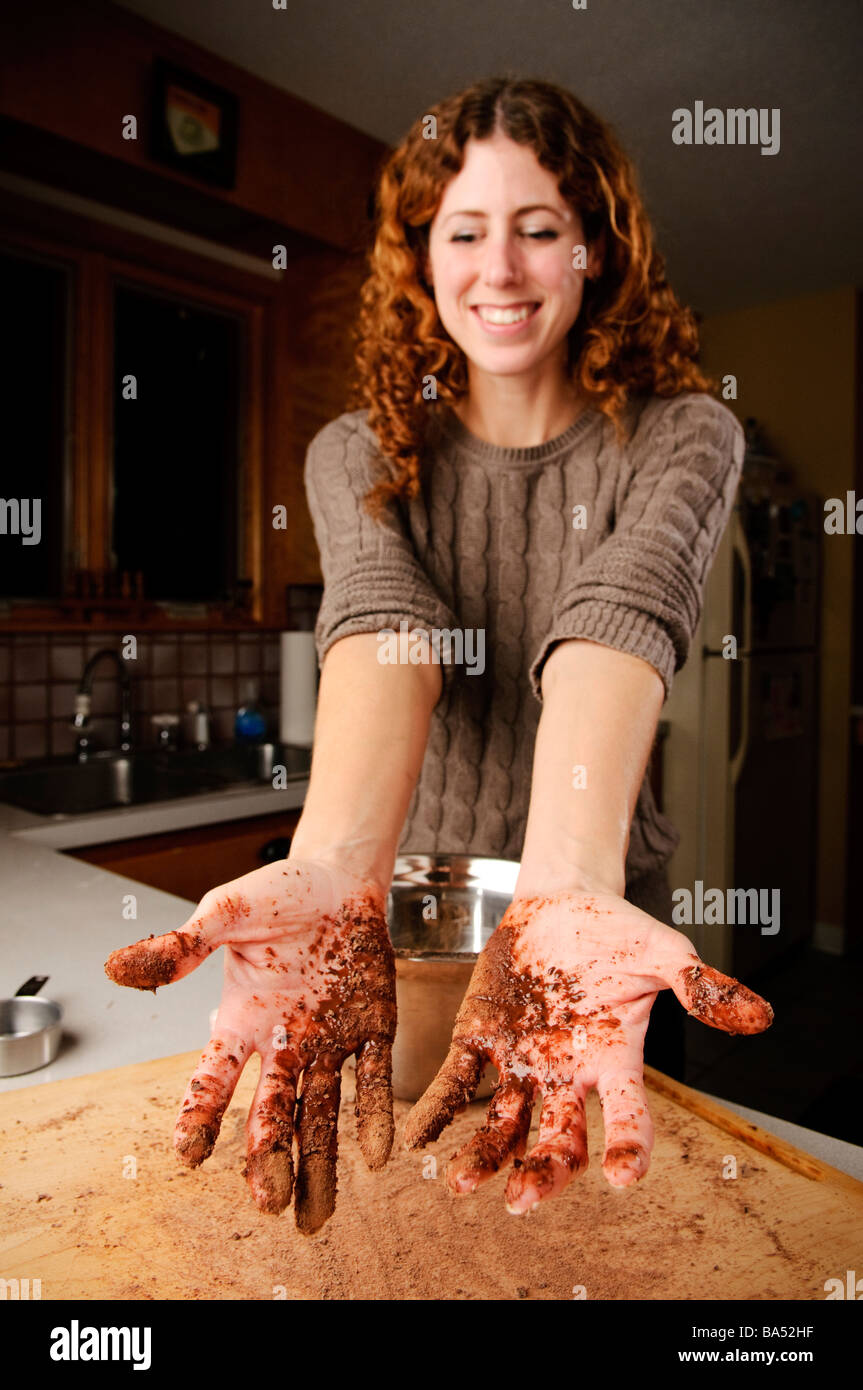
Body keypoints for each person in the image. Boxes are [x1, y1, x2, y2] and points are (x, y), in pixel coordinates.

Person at [105, 76, 772, 1235]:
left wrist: (563, 890)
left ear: (594, 253)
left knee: (593, 1214)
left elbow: (616, 618)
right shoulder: (356, 449)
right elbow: (384, 628)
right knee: (403, 1209)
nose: (499, 270)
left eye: (538, 229)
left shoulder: (681, 433)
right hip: (403, 921)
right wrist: (334, 867)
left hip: (589, 926)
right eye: (462, 231)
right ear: (419, 256)